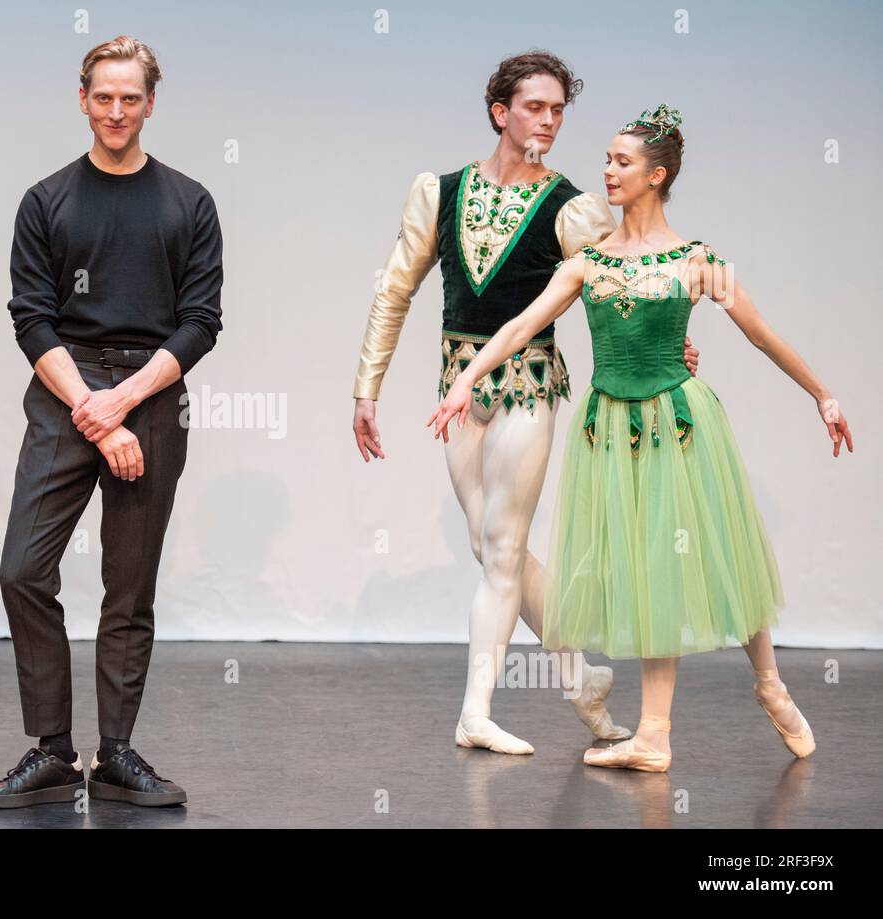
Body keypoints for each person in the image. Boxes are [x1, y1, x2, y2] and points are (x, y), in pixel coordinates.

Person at [431, 104, 854, 772]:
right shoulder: (589, 263)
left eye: (622, 161)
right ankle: (654, 734)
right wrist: (467, 379)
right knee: (656, 571)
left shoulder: (694, 260)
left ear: (656, 176)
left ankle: (769, 682)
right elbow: (518, 326)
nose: (607, 170)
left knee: (719, 553)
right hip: (613, 428)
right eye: (605, 158)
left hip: (679, 424)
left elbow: (761, 332)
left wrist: (822, 393)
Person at [352, 51, 702, 753]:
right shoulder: (439, 191)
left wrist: (670, 348)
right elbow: (395, 287)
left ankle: (475, 711)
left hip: (528, 386)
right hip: (457, 387)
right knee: (491, 548)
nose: (549, 120)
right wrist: (367, 387)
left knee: (504, 547)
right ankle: (579, 678)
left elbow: (624, 279)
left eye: (558, 110)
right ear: (500, 113)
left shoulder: (574, 206)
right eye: (535, 107)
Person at [0, 36, 221, 808]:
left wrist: (124, 402)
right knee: (22, 568)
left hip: (151, 391)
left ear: (151, 103)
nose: (117, 111)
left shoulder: (189, 202)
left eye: (131, 97)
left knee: (129, 582)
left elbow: (201, 322)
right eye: (103, 96)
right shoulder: (47, 200)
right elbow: (31, 318)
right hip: (64, 387)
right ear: (81, 99)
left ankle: (115, 755)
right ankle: (51, 751)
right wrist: (94, 407)